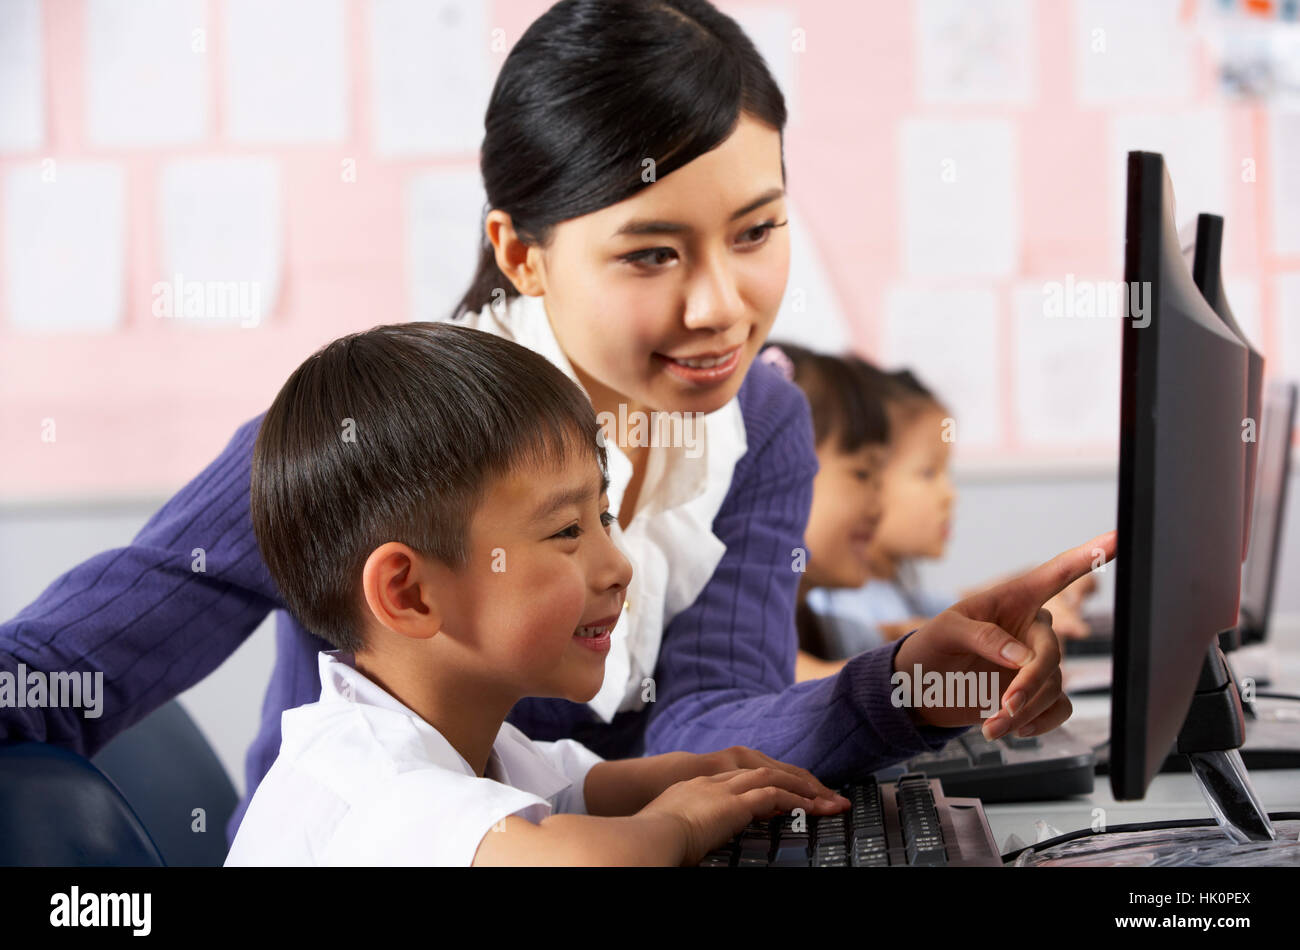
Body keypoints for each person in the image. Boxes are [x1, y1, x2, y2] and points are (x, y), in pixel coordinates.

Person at [0, 0, 1104, 847]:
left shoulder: (758, 419)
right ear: (522, 252)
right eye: (651, 252)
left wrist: (913, 683)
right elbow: (56, 671)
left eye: (757, 229)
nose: (721, 304)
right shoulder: (378, 438)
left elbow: (696, 722)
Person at [226, 323, 848, 865]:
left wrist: (696, 774)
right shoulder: (368, 778)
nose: (618, 566)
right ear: (410, 594)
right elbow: (572, 859)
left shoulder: (468, 738)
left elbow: (574, 793)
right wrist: (679, 823)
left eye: (604, 517)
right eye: (566, 531)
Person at [808, 368, 1096, 655]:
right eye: (928, 472)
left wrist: (1056, 579)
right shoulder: (838, 602)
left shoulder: (893, 594)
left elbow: (966, 603)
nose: (950, 494)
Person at [755, 344, 892, 682]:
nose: (880, 507)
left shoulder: (820, 626)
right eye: (862, 473)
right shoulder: (724, 637)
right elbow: (825, 687)